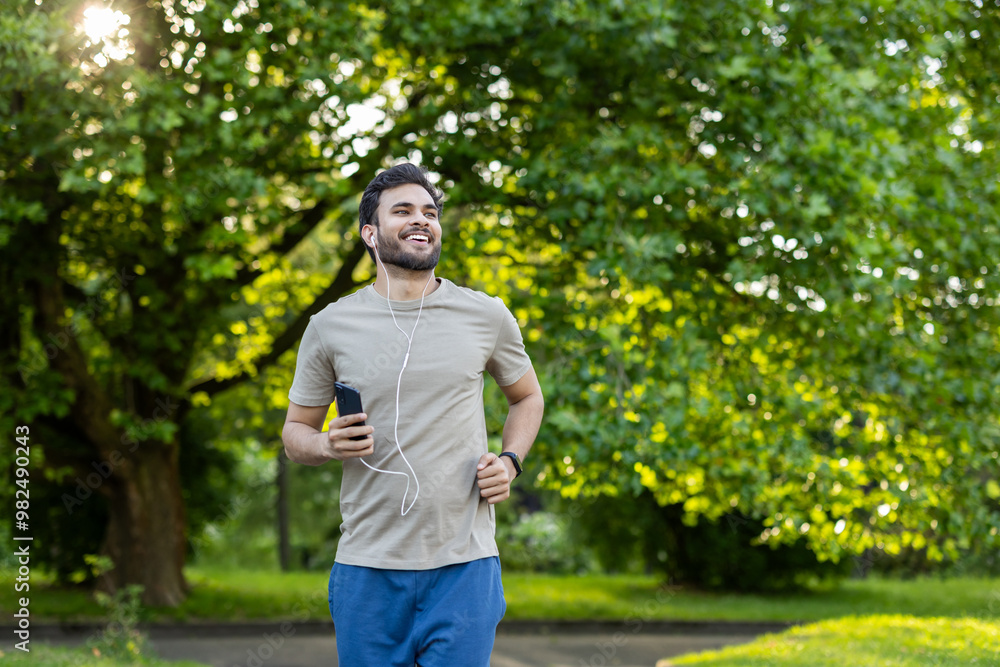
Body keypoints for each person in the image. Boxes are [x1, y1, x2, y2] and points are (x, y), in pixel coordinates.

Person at [281, 162, 544, 666]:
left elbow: (527, 397)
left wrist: (510, 461)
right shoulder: (330, 325)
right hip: (367, 570)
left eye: (429, 211)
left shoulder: (485, 314)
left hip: (465, 567)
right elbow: (296, 433)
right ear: (371, 233)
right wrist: (327, 443)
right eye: (402, 210)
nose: (421, 219)